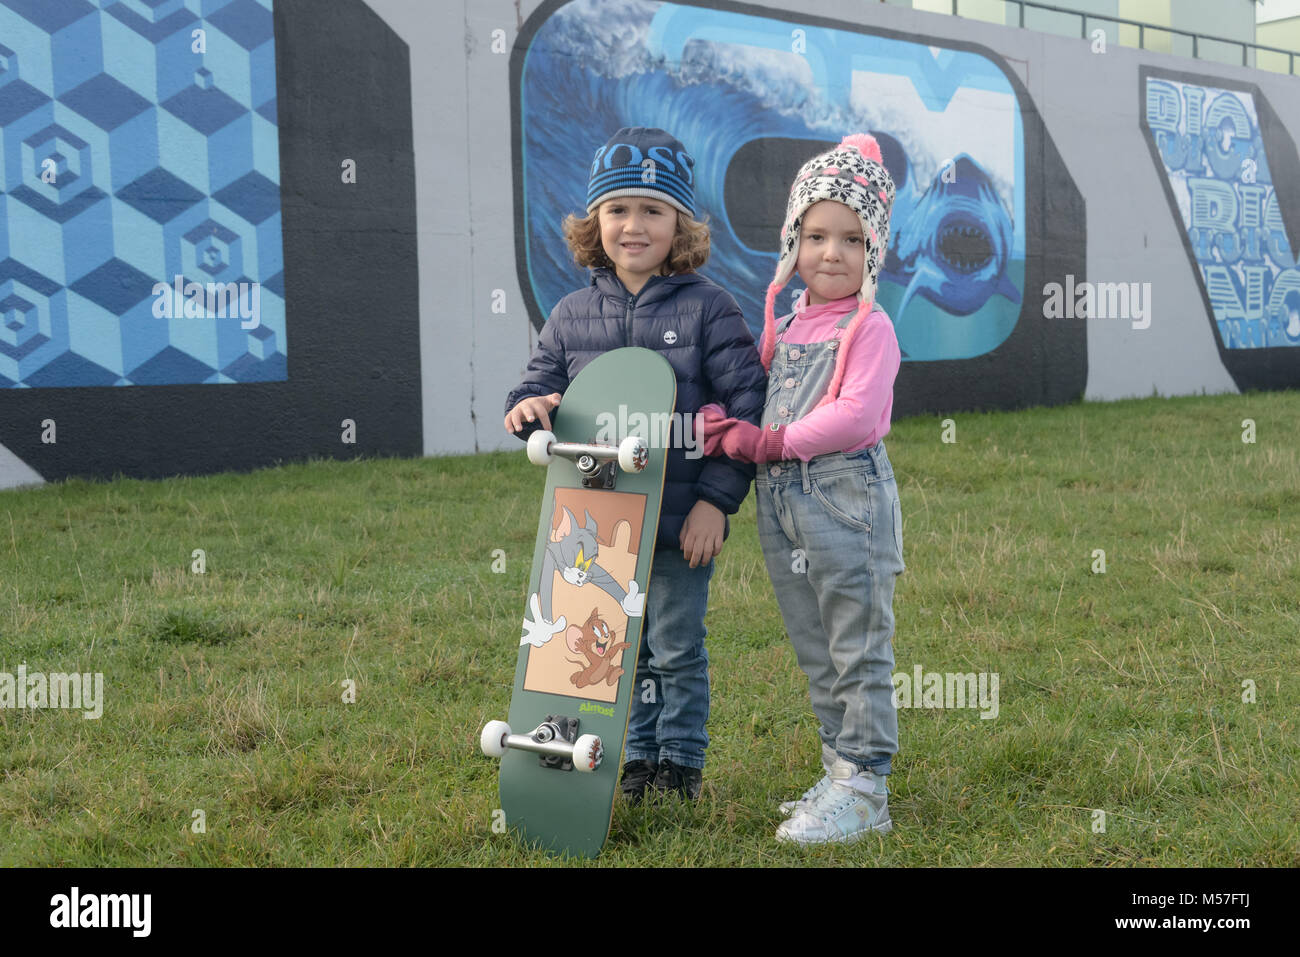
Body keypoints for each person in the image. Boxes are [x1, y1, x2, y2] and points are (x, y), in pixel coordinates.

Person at [504, 127, 766, 802]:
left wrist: (715, 500)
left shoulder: (709, 308)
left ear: (680, 223)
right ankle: (637, 757)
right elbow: (534, 388)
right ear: (596, 220)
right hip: (599, 528)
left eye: (653, 210)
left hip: (679, 523)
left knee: (676, 647)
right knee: (621, 652)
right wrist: (531, 405)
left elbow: (748, 410)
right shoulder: (570, 315)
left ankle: (682, 764)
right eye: (618, 208)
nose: (633, 225)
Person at [697, 134, 904, 843]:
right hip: (783, 510)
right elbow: (755, 402)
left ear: (874, 248)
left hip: (845, 503)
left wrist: (771, 441)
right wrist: (725, 424)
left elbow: (858, 415)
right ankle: (837, 768)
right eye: (815, 235)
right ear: (792, 241)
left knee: (857, 644)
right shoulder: (785, 325)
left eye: (852, 237)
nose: (832, 253)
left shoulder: (870, 328)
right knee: (814, 643)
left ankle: (867, 788)